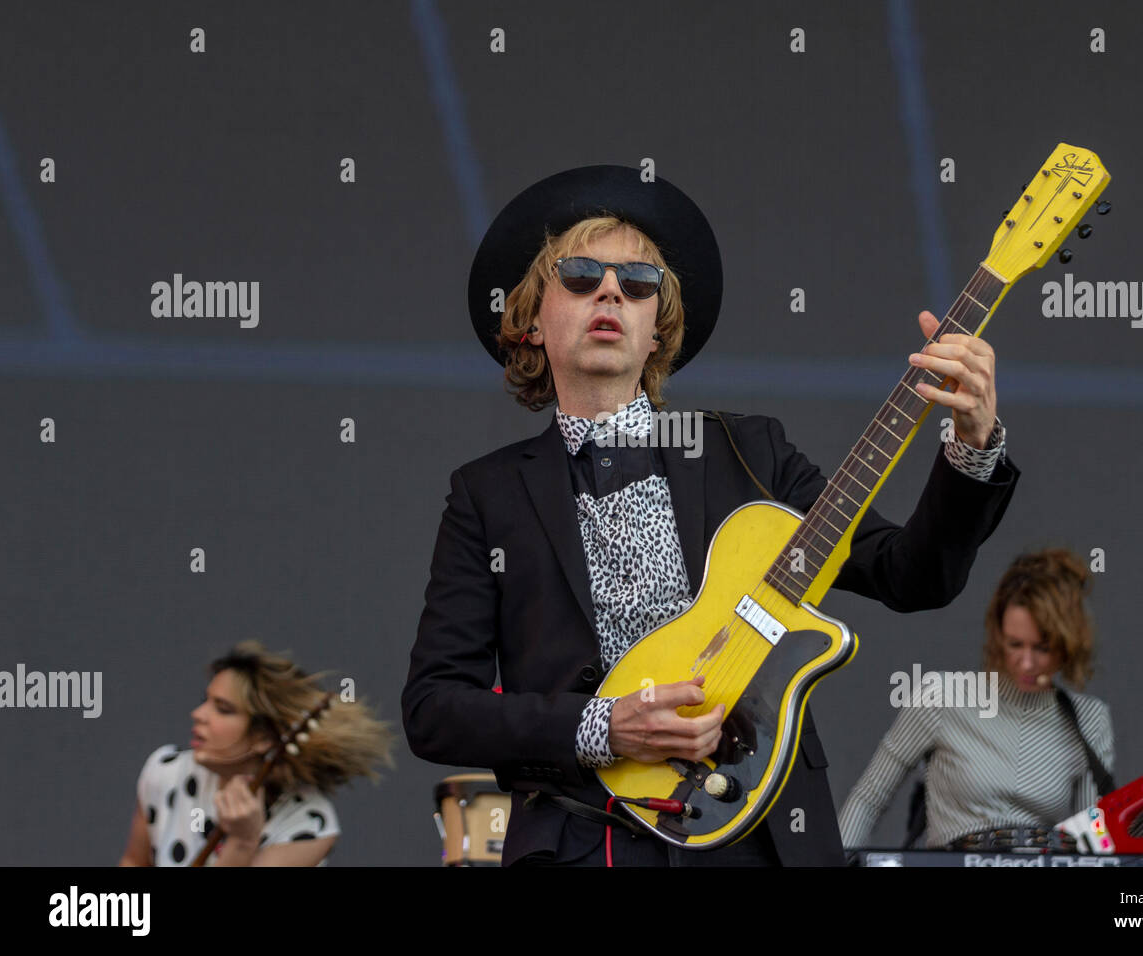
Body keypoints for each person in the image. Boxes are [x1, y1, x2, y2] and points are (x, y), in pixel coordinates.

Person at [402, 164, 1021, 866]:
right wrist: (603, 726)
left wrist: (972, 445)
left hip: (759, 837)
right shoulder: (487, 495)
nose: (611, 290)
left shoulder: (750, 453)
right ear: (530, 321)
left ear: (656, 329)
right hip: (584, 840)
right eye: (579, 274)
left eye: (638, 284)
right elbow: (434, 708)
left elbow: (911, 575)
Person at [837, 548, 1143, 852]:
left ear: (1069, 644)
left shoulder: (1088, 719)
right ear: (997, 633)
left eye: (1043, 648)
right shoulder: (942, 697)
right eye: (1014, 644)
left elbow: (1098, 845)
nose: (1026, 661)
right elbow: (869, 797)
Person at [119, 641, 394, 866]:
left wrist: (243, 842)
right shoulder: (165, 772)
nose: (198, 715)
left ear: (263, 737)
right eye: (205, 702)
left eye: (223, 709)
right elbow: (134, 862)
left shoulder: (307, 825)